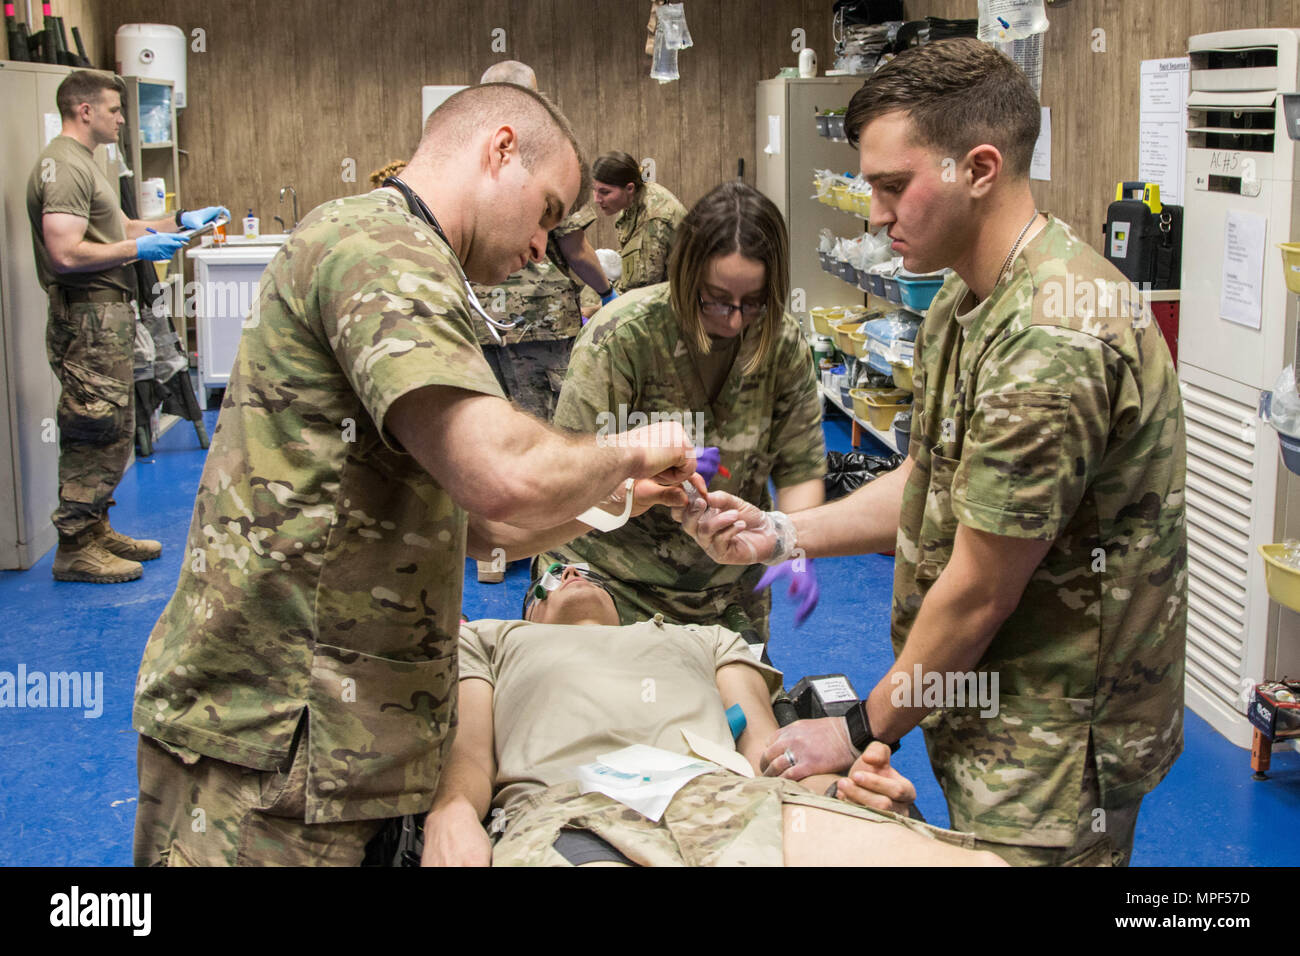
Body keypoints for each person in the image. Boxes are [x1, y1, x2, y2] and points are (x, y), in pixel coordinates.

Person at [131, 82, 698, 867]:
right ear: (500, 150)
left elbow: (482, 526)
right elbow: (499, 476)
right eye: (545, 212)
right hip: (268, 745)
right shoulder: (381, 249)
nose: (545, 246)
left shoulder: (413, 264)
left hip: (339, 747)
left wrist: (620, 502)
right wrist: (632, 449)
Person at [680, 38, 1186, 867]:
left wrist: (855, 728)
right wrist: (783, 535)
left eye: (891, 186)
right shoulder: (965, 297)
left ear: (979, 168)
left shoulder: (1052, 338)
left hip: (1050, 748)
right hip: (980, 704)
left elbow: (982, 590)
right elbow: (931, 481)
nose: (874, 215)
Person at [423, 565, 1006, 867]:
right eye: (551, 578)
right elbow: (470, 754)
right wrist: (451, 815)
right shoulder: (496, 639)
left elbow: (769, 752)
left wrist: (842, 793)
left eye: (585, 572)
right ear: (531, 609)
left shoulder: (701, 637)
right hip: (566, 806)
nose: (571, 574)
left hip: (723, 797)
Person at [541, 180, 826, 643]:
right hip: (610, 577)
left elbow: (801, 468)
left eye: (751, 303)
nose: (733, 320)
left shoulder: (781, 341)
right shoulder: (622, 337)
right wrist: (639, 489)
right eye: (714, 299)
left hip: (727, 585)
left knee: (737, 708)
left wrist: (790, 537)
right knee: (593, 688)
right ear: (685, 276)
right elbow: (565, 478)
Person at [26, 70, 228, 584]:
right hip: (87, 313)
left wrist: (181, 220)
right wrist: (137, 250)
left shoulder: (86, 164)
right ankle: (74, 545)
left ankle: (95, 529)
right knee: (92, 427)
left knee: (113, 426)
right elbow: (65, 251)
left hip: (108, 313)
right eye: (115, 110)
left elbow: (122, 228)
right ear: (85, 111)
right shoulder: (63, 166)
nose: (122, 119)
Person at [591, 150, 686, 292]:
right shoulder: (636, 197)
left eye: (605, 192)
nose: (596, 199)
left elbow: (641, 290)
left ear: (629, 188)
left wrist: (594, 309)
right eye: (595, 190)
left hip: (678, 295)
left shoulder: (653, 219)